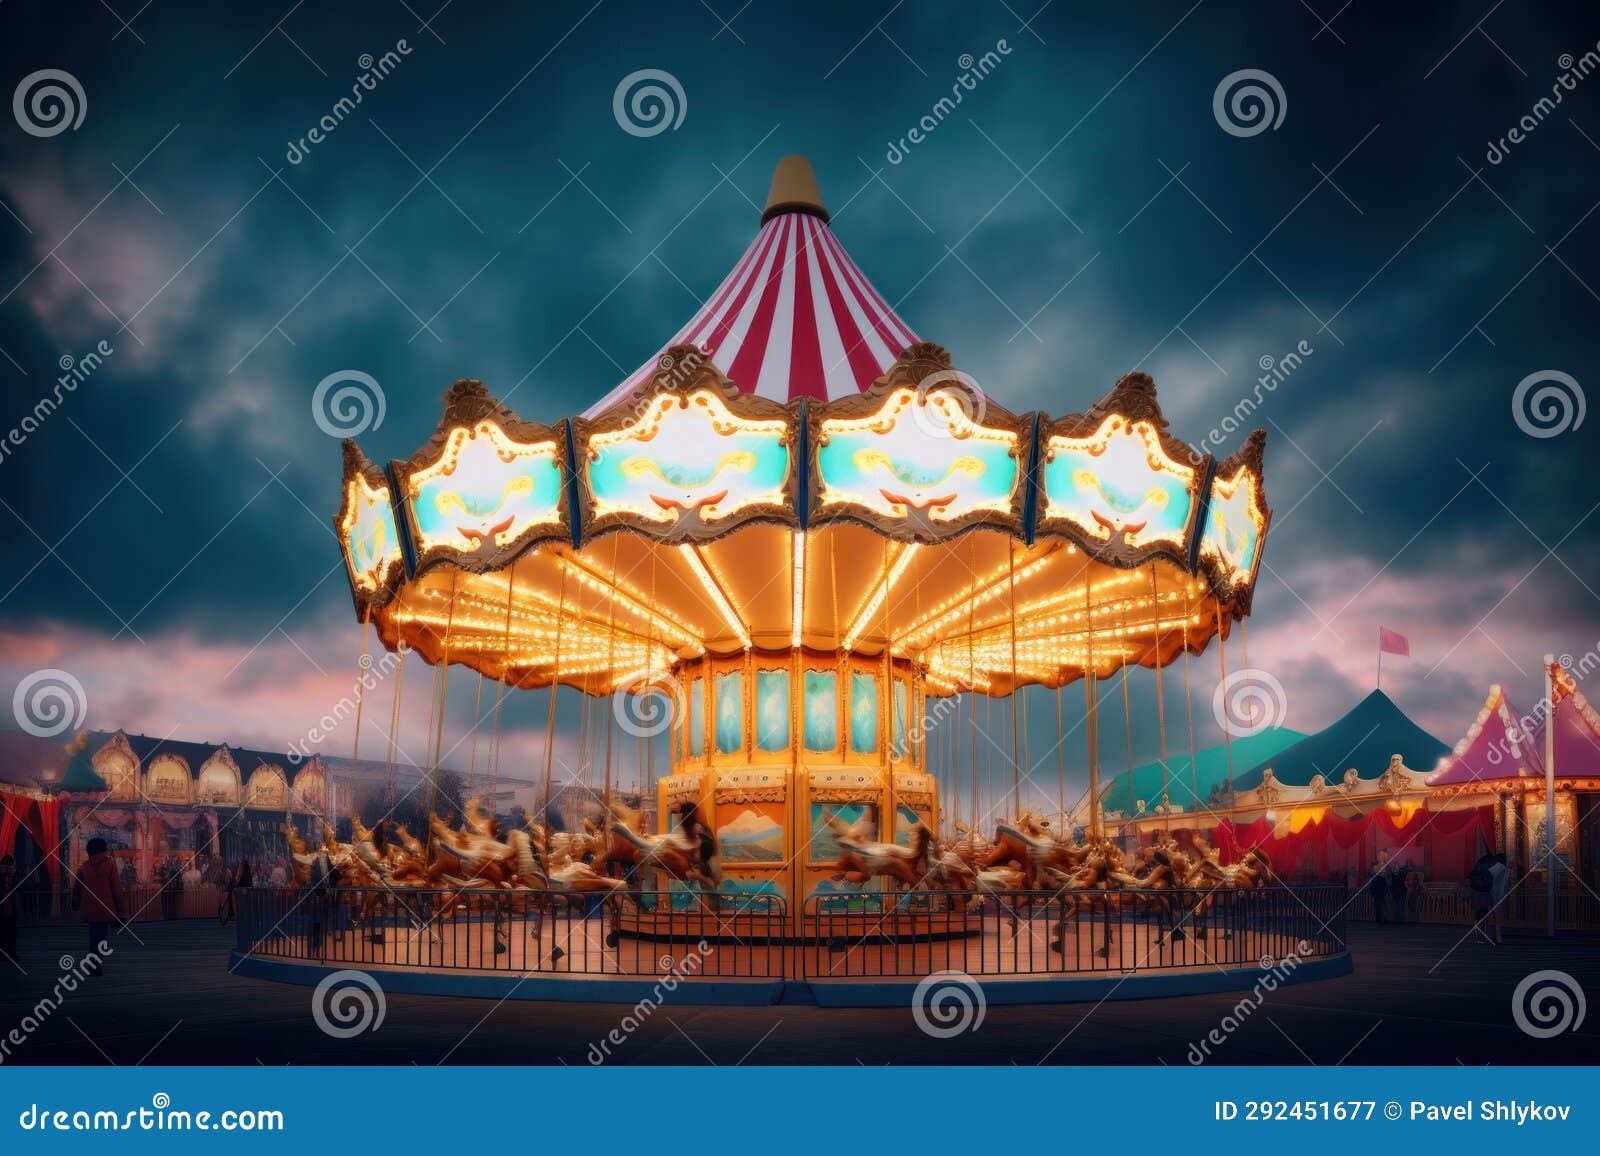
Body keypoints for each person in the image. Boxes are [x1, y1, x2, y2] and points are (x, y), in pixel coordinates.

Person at [72, 838, 125, 971]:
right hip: (106, 907)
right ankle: (96, 962)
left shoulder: (84, 867)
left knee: (93, 936)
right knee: (102, 936)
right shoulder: (110, 865)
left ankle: (93, 961)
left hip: (89, 907)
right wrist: (122, 912)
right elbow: (116, 889)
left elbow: (77, 888)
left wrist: (76, 904)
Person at [1467, 853, 1495, 943]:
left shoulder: (1477, 869)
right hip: (1483, 894)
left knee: (1478, 915)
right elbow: (1489, 882)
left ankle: (1478, 936)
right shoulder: (1486, 869)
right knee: (1483, 915)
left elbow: (1470, 878)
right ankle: (1483, 935)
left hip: (1477, 893)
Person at [0, 854, 18, 968]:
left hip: (4, 907)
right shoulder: (12, 875)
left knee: (3, 931)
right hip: (10, 907)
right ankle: (10, 953)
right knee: (10, 931)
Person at [1488, 852, 1510, 944]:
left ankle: (1495, 936)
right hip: (1501, 894)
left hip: (1493, 894)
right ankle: (1498, 937)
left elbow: (1489, 874)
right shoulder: (1504, 869)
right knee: (1498, 917)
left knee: (1494, 916)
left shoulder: (1497, 867)